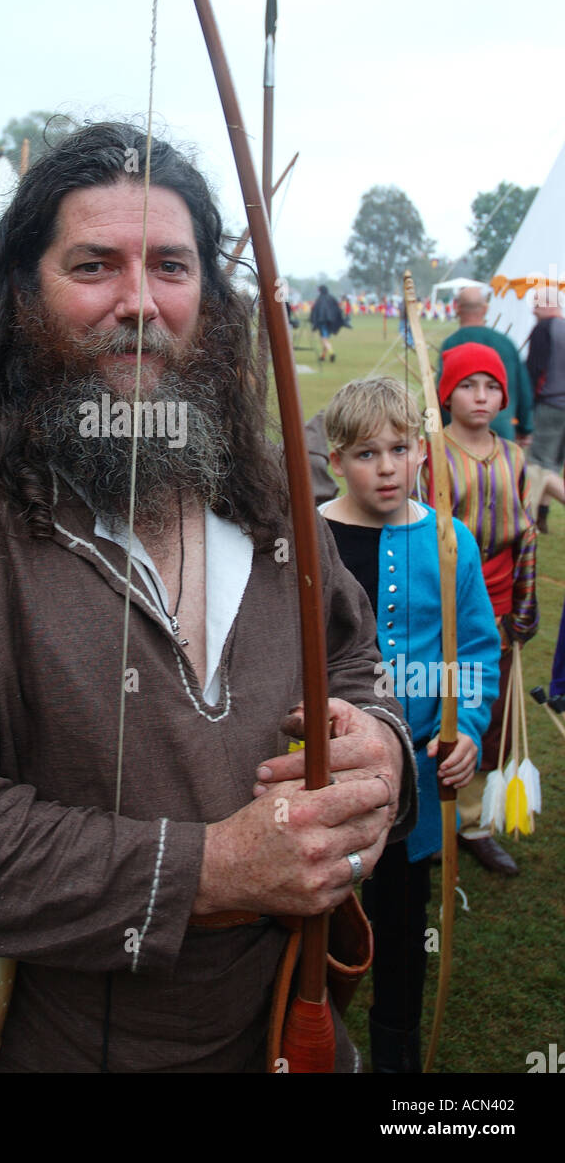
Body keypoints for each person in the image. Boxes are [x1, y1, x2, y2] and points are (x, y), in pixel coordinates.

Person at [0, 122, 416, 1074]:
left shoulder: (269, 488)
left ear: (211, 296)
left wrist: (382, 748)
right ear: (23, 293)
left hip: (270, 1029)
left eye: (173, 267)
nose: (140, 304)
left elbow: (351, 656)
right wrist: (213, 869)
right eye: (95, 265)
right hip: (44, 1044)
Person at [320, 377, 498, 1072]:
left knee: (401, 916)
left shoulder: (450, 541)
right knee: (317, 911)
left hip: (419, 778)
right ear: (336, 461)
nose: (386, 467)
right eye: (366, 454)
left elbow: (476, 650)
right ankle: (309, 1032)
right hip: (326, 770)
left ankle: (395, 1047)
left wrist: (471, 729)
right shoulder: (312, 537)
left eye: (400, 449)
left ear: (423, 451)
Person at [425, 344, 538, 876]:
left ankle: (473, 822)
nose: (481, 396)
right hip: (445, 606)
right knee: (434, 707)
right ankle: (423, 815)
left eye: (492, 386)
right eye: (468, 385)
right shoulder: (431, 453)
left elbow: (524, 537)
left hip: (499, 608)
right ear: (447, 393)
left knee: (487, 717)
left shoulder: (513, 456)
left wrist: (523, 603)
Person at [438, 285, 533, 446]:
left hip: (460, 433)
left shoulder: (451, 344)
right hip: (501, 430)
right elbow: (523, 389)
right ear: (485, 309)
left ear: (457, 309)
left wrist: (438, 430)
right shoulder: (506, 343)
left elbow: (442, 392)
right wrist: (525, 427)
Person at [526, 282, 565, 531]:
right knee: (552, 464)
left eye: (537, 305)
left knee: (538, 465)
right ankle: (541, 518)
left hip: (549, 403)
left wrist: (525, 409)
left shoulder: (544, 329)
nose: (533, 311)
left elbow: (534, 369)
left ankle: (528, 520)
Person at [309, 283, 346, 362]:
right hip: (331, 323)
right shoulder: (331, 298)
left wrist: (313, 319)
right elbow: (337, 309)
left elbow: (315, 310)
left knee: (324, 339)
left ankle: (332, 353)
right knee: (326, 339)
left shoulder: (319, 299)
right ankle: (322, 356)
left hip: (323, 323)